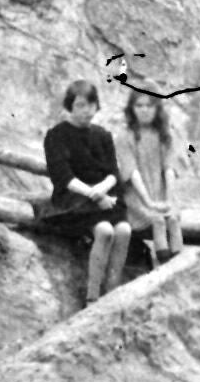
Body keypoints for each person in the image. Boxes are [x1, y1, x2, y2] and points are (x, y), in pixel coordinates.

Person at [41, 80, 132, 305]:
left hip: (103, 195)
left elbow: (113, 172)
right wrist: (94, 194)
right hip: (74, 199)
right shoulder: (56, 135)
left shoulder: (103, 135)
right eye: (80, 105)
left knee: (124, 230)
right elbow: (63, 177)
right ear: (69, 106)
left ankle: (112, 291)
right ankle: (93, 296)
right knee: (105, 231)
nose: (87, 111)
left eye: (91, 105)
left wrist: (102, 190)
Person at [116, 93, 184, 266]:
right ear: (132, 109)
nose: (144, 110)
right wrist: (149, 202)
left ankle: (178, 264)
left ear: (157, 108)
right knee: (157, 220)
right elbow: (132, 172)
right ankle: (163, 264)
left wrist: (169, 199)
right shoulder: (124, 136)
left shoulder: (165, 134)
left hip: (161, 192)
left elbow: (169, 168)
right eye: (139, 106)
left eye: (149, 106)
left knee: (173, 219)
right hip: (137, 197)